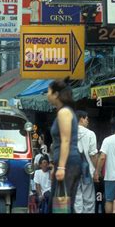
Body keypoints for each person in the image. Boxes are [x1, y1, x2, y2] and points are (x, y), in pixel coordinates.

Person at [47, 77, 81, 213]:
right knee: (62, 205)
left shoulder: (64, 112)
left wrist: (61, 167)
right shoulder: (63, 112)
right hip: (65, 162)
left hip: (69, 162)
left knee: (61, 206)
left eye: (48, 91)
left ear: (56, 94)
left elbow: (65, 141)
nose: (47, 95)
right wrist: (57, 166)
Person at [74, 110, 98, 213]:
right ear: (81, 119)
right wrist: (97, 170)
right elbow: (93, 154)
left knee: (76, 198)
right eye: (87, 119)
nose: (88, 121)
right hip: (87, 170)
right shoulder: (90, 134)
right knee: (88, 198)